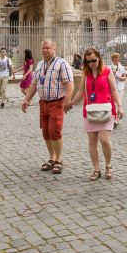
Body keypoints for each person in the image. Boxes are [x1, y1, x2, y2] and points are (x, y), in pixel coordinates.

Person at [67, 48, 123, 180]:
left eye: (94, 60)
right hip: (90, 110)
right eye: (88, 61)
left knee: (104, 140)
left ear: (99, 58)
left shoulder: (107, 71)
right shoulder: (86, 73)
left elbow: (114, 91)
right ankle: (96, 169)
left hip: (106, 110)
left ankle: (108, 165)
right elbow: (81, 91)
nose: (92, 63)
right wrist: (71, 103)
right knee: (92, 141)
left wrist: (120, 106)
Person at [21, 40, 74, 175]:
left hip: (57, 102)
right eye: (43, 48)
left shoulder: (62, 64)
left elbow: (69, 84)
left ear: (54, 48)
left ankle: (59, 160)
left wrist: (68, 100)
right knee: (46, 131)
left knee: (54, 130)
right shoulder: (39, 64)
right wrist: (27, 98)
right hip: (43, 102)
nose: (45, 50)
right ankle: (52, 158)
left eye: (48, 48)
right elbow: (34, 84)